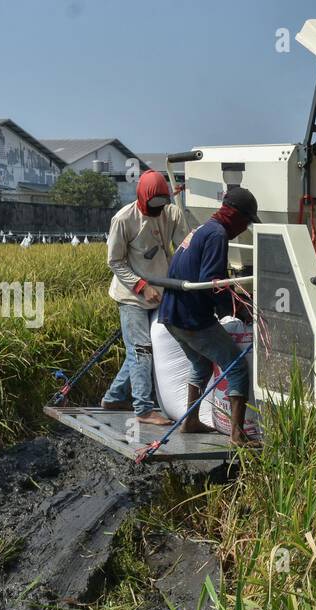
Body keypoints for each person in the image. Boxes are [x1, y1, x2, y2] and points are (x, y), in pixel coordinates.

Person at [157, 186, 258, 444]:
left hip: (170, 314)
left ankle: (190, 422)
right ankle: (238, 435)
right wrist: (238, 309)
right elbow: (212, 281)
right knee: (237, 368)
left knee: (201, 364)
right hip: (191, 318)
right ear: (234, 215)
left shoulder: (201, 229)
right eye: (246, 221)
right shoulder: (218, 234)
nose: (245, 228)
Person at [102, 169, 187, 426]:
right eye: (153, 205)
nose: (157, 210)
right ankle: (143, 409)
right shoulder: (124, 219)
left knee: (145, 350)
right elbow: (114, 261)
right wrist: (141, 286)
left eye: (162, 204)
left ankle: (113, 397)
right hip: (132, 296)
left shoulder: (171, 213)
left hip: (161, 292)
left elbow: (184, 247)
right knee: (141, 350)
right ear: (141, 199)